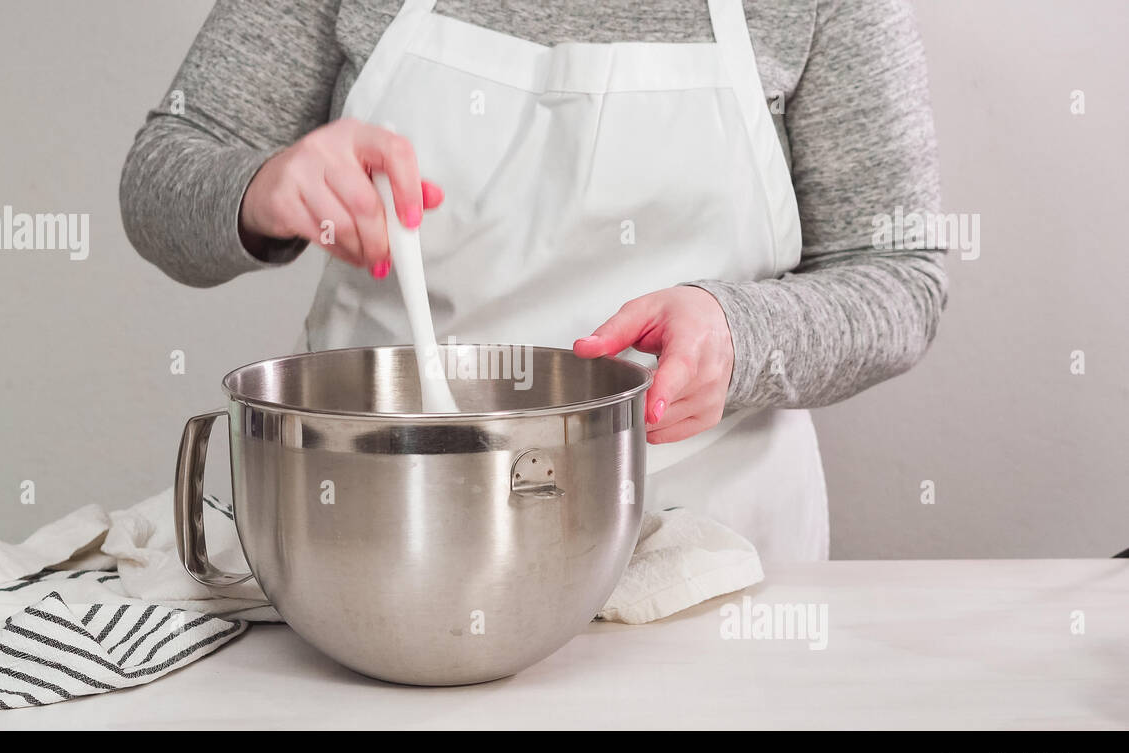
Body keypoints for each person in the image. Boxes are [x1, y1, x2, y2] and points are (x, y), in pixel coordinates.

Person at [120, 0, 948, 562]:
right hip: (376, 535)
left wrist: (740, 331)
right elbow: (161, 178)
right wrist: (261, 187)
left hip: (705, 549)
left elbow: (899, 275)